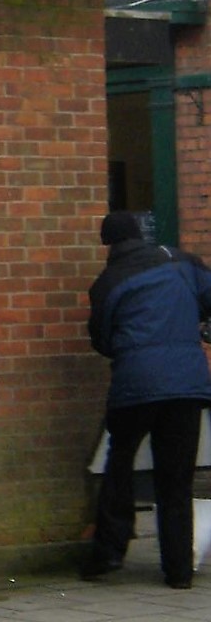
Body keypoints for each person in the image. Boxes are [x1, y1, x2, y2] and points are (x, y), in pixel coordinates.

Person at [81, 211, 211, 590]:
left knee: (119, 466)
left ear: (108, 244)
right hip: (186, 387)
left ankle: (109, 552)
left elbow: (102, 340)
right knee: (177, 481)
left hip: (134, 387)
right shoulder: (180, 262)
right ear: (140, 235)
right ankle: (179, 572)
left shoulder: (107, 283)